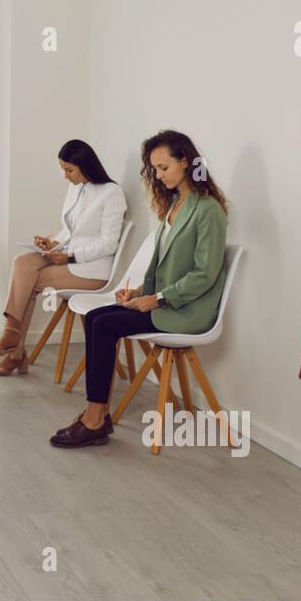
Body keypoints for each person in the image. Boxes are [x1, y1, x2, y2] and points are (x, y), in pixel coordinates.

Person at [51, 129, 228, 447]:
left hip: (187, 311)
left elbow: (205, 274)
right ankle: (97, 414)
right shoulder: (175, 204)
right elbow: (160, 264)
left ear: (185, 162)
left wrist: (157, 300)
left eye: (164, 167)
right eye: (155, 169)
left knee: (104, 325)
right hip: (162, 301)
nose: (159, 176)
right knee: (94, 318)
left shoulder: (208, 209)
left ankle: (94, 420)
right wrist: (138, 292)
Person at [0, 139, 125, 375]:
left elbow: (108, 244)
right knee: (22, 262)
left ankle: (14, 349)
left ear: (85, 165)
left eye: (69, 170)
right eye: (63, 170)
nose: (65, 176)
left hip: (91, 271)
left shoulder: (112, 193)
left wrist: (70, 257)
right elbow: (71, 231)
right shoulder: (76, 188)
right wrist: (52, 243)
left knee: (28, 282)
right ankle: (12, 338)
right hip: (67, 256)